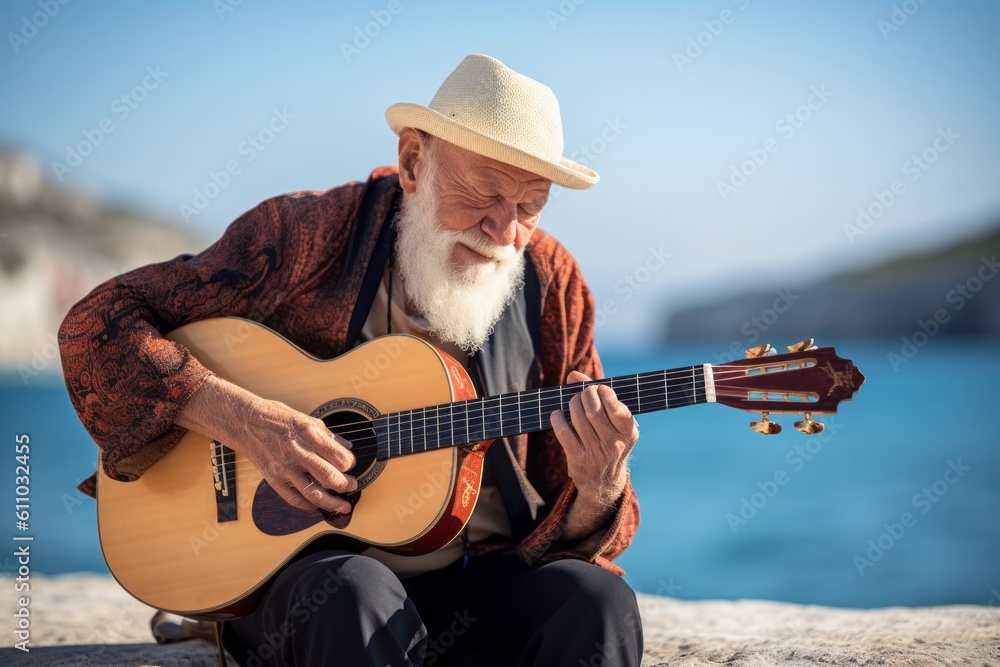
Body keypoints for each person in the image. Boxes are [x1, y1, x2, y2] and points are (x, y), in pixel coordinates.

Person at [59, 53, 643, 666]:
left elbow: (578, 529)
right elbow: (97, 325)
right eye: (483, 192)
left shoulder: (552, 282)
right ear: (413, 162)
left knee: (598, 601)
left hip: (482, 587)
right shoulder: (303, 235)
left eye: (529, 207)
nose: (503, 231)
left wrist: (599, 488)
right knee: (352, 592)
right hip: (321, 586)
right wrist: (246, 422)